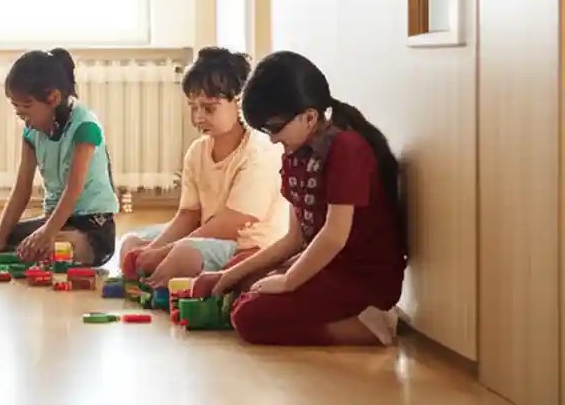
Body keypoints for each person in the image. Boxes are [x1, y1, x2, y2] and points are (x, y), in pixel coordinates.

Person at [192, 51, 407, 346]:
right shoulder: (297, 153)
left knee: (249, 317)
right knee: (243, 282)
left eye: (275, 128)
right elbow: (293, 239)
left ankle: (368, 325)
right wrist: (225, 276)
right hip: (325, 267)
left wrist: (288, 281)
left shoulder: (346, 149)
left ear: (309, 117)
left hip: (360, 279)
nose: (272, 139)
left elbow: (333, 236)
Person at [116, 47, 287, 287]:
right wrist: (154, 249)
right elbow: (188, 215)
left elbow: (231, 223)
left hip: (248, 245)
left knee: (182, 254)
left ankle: (157, 284)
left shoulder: (259, 151)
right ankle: (156, 277)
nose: (198, 117)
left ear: (238, 103)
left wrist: (166, 250)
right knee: (131, 241)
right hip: (207, 235)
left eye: (209, 108)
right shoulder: (198, 151)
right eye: (192, 107)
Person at [0, 49, 120, 267]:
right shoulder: (31, 132)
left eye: (26, 107)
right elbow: (22, 188)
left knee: (53, 246)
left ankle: (44, 252)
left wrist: (47, 233)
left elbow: (73, 191)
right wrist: (2, 232)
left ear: (53, 98)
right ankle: (34, 252)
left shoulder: (85, 127)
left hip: (91, 227)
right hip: (54, 221)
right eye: (16, 107)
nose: (21, 115)